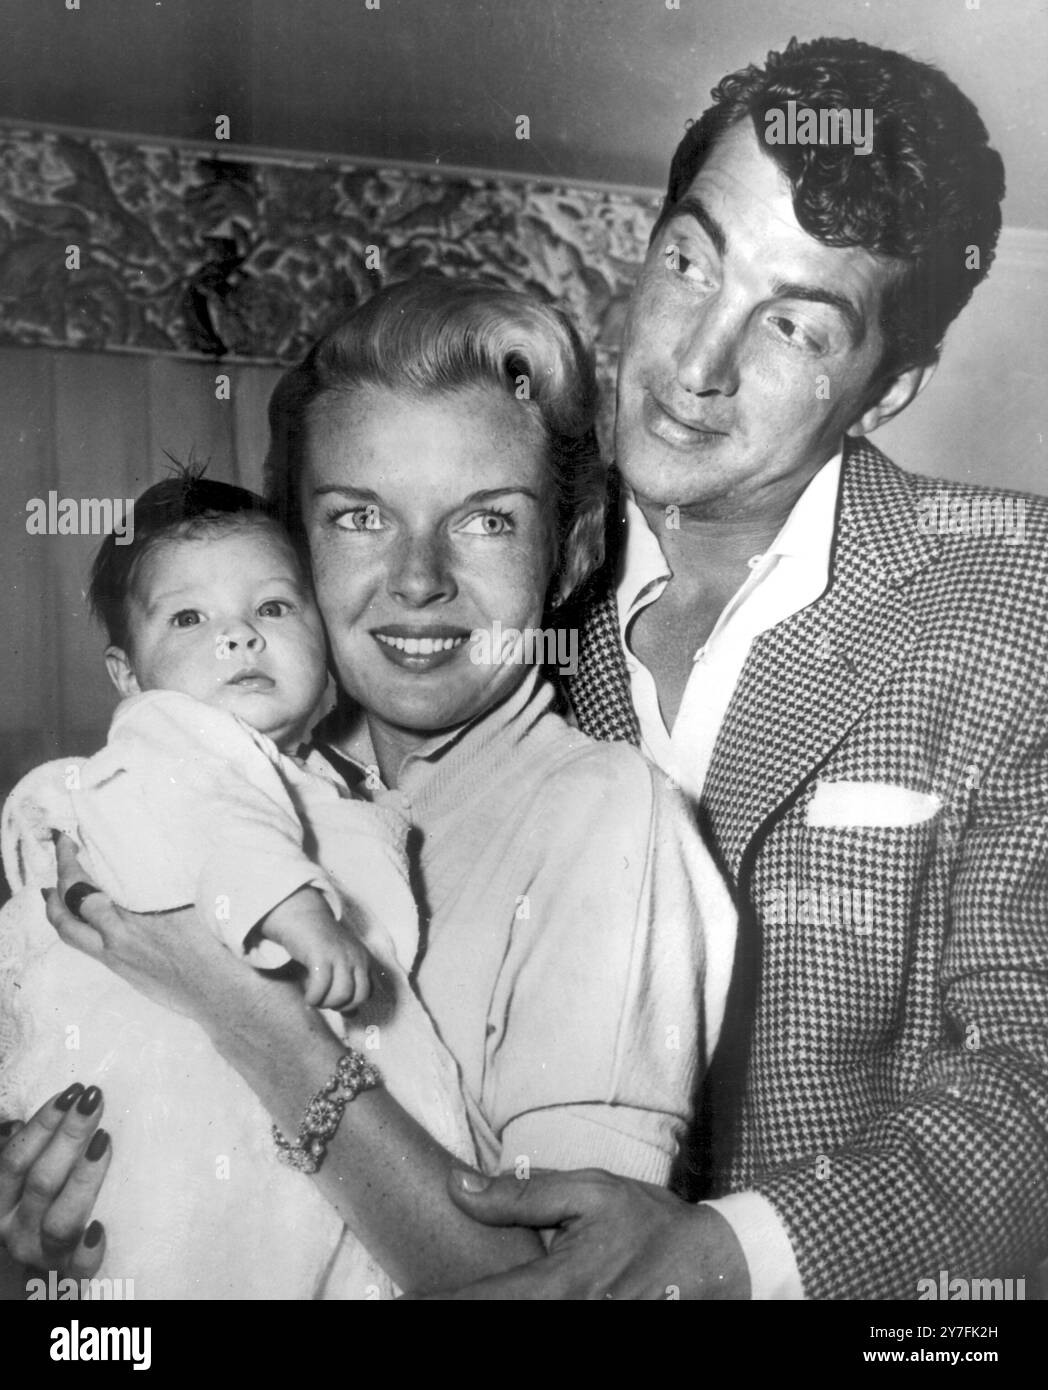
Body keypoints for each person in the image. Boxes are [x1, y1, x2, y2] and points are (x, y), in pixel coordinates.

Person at [410, 35, 1048, 1300]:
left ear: (889, 386)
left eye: (796, 326)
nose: (696, 367)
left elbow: (1033, 1071)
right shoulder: (483, 561)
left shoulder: (1019, 600)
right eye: (690, 262)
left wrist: (724, 1255)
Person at [1, 276, 737, 1297]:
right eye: (359, 516)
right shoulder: (235, 772)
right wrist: (61, 1210)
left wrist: (243, 1009)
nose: (418, 577)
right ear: (295, 547)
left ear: (566, 552)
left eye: (485, 521)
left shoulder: (610, 820)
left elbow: (551, 1292)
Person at [1, 470, 478, 1298]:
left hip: (301, 1103)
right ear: (126, 673)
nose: (239, 637)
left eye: (273, 609)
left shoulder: (324, 783)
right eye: (190, 617)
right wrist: (291, 910)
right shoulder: (167, 738)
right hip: (188, 1092)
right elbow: (221, 828)